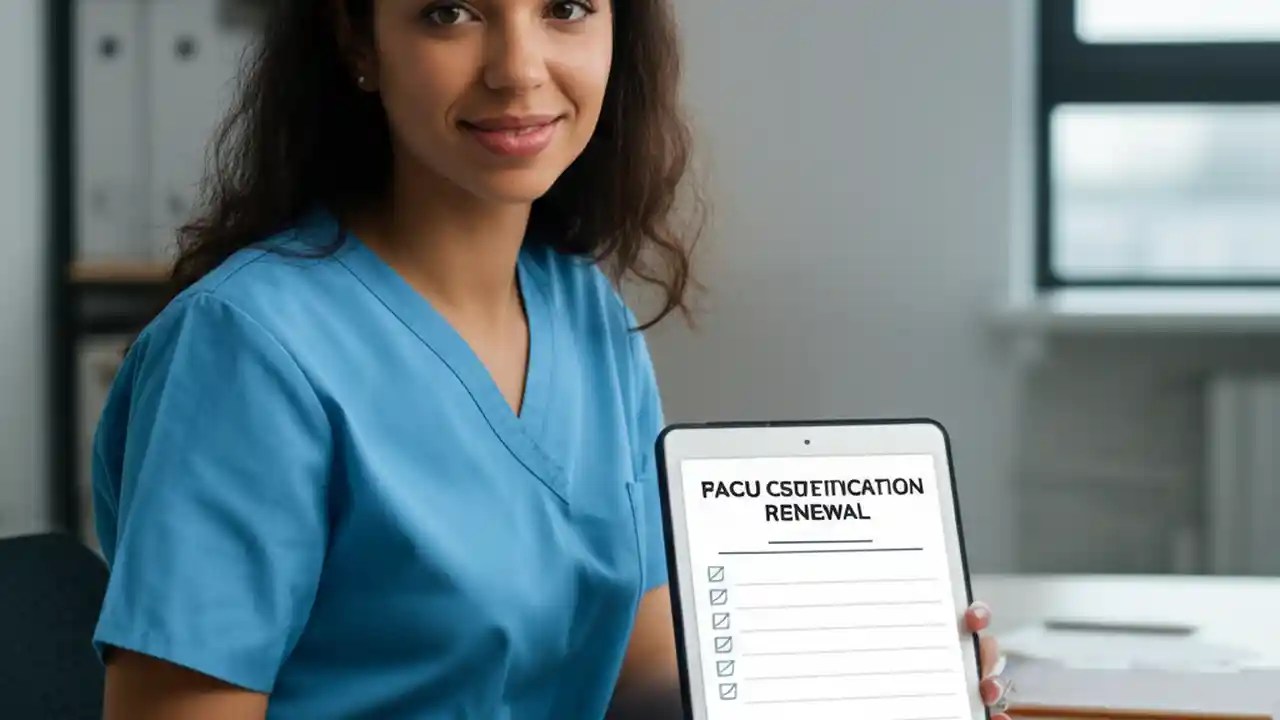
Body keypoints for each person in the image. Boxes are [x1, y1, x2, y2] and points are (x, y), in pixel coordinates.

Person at [90, 0, 1012, 717]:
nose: (518, 71)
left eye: (565, 7)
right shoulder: (247, 350)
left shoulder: (585, 316)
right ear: (359, 43)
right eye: (450, 12)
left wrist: (839, 682)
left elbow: (633, 675)